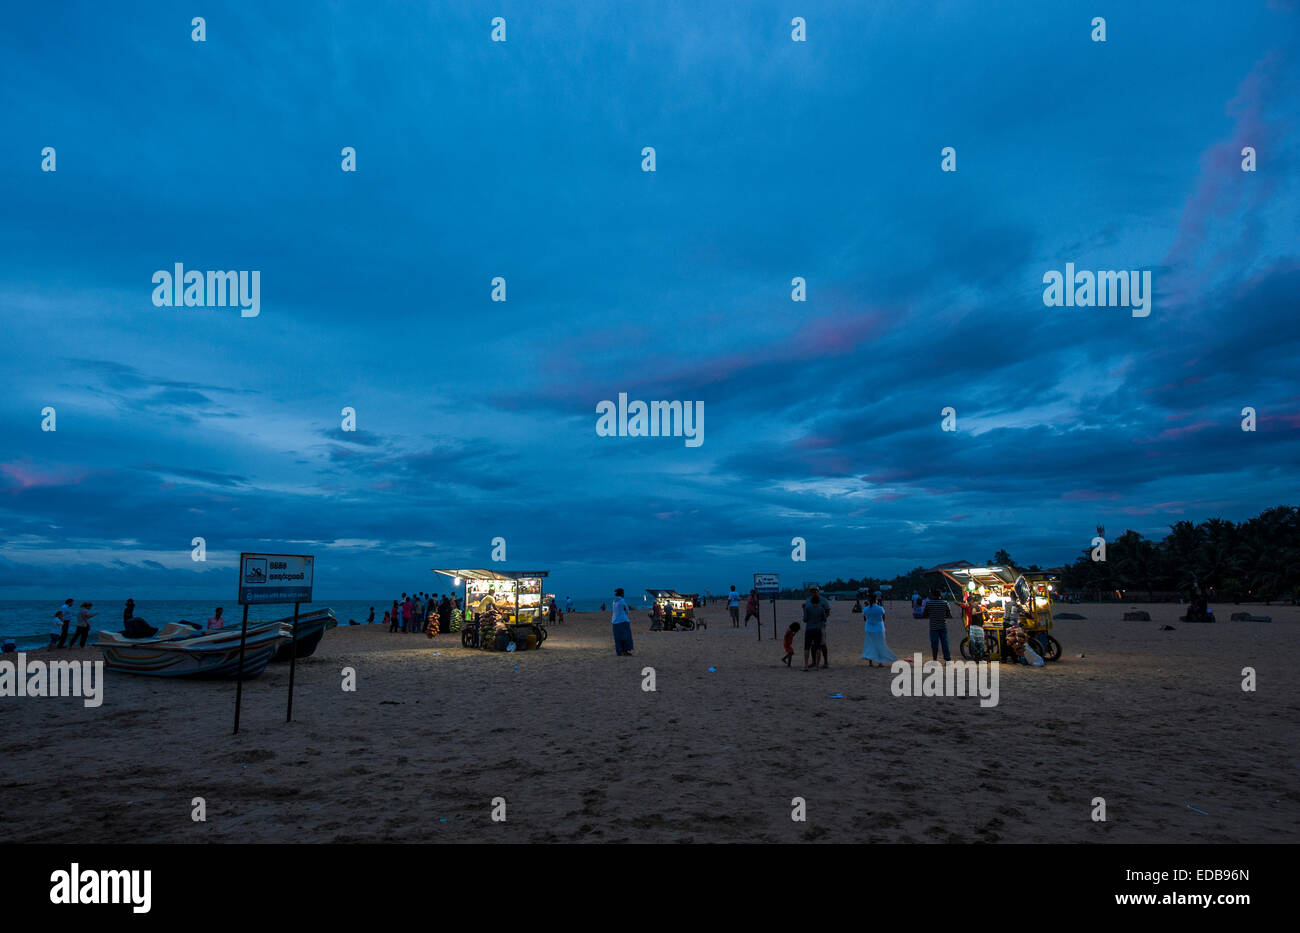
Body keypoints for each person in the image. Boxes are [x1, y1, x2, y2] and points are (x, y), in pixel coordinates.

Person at [860, 593, 897, 666]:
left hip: (869, 629)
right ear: (876, 600)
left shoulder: (866, 609)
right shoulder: (880, 608)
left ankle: (870, 662)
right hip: (879, 628)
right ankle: (880, 662)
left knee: (870, 645)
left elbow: (865, 619)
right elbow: (883, 618)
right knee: (880, 644)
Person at [802, 588, 829, 670]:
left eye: (815, 591)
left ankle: (825, 662)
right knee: (814, 646)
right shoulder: (808, 600)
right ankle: (815, 663)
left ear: (818, 591)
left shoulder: (824, 600)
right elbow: (824, 616)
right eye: (812, 591)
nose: (814, 592)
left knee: (822, 644)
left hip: (818, 626)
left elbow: (827, 612)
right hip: (817, 626)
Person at [923, 589, 953, 662]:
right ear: (940, 595)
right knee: (945, 643)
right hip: (943, 626)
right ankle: (947, 659)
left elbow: (924, 614)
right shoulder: (945, 603)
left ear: (933, 595)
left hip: (933, 627)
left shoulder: (929, 603)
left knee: (934, 644)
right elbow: (950, 615)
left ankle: (935, 659)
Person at [610, 588, 634, 656]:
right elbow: (627, 611)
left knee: (617, 637)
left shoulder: (614, 601)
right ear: (621, 594)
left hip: (614, 621)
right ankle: (625, 650)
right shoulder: (622, 601)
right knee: (626, 636)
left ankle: (619, 651)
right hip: (623, 620)